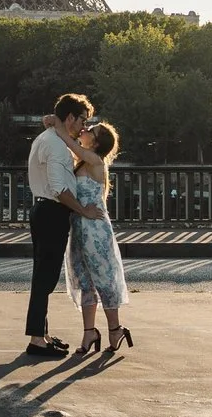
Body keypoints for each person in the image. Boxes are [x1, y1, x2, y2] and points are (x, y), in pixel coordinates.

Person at [22, 93, 100, 357]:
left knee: (43, 276)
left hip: (43, 211)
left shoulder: (49, 138)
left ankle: (40, 334)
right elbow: (59, 189)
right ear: (69, 118)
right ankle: (36, 340)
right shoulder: (55, 146)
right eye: (82, 120)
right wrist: (83, 211)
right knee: (45, 278)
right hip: (52, 213)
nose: (83, 126)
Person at [59, 119, 132, 355]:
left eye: (92, 130)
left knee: (103, 278)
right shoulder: (83, 162)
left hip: (94, 228)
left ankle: (115, 329)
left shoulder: (94, 160)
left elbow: (73, 145)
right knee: (84, 279)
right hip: (80, 226)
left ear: (97, 142)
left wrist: (57, 127)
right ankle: (89, 331)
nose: (86, 129)